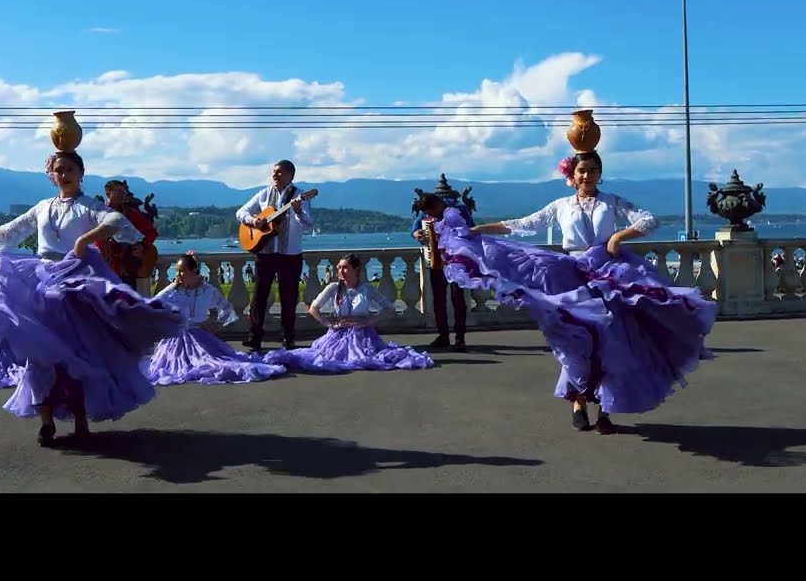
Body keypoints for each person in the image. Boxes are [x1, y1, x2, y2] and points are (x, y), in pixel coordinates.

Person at [0, 150, 184, 448]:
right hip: (42, 281)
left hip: (74, 285)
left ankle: (81, 422)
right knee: (40, 356)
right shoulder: (43, 207)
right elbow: (12, 230)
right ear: (52, 175)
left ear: (81, 173)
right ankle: (46, 422)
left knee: (76, 356)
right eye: (58, 170)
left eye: (69, 169)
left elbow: (116, 220)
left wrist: (83, 240)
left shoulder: (89, 206)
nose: (63, 174)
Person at [434, 150, 717, 434]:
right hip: (571, 274)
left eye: (593, 170)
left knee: (615, 341)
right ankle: (578, 401)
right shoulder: (561, 205)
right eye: (583, 170)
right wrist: (477, 230)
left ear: (599, 173)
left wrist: (619, 236)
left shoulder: (613, 201)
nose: (587, 175)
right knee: (577, 341)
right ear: (573, 174)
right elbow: (521, 225)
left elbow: (648, 221)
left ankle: (606, 409)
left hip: (609, 274)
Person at [262, 253, 435, 373]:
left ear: (356, 269)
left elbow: (388, 308)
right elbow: (313, 307)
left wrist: (369, 321)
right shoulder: (332, 288)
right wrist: (329, 324)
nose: (340, 272)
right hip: (338, 333)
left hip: (363, 334)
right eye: (338, 268)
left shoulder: (366, 289)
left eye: (344, 268)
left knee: (365, 357)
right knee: (325, 357)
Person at [144, 252, 288, 385]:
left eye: (182, 271)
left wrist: (216, 324)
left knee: (216, 363)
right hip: (176, 341)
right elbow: (152, 305)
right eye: (177, 271)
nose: (178, 274)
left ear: (194, 271)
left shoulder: (207, 290)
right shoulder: (173, 291)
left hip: (201, 336)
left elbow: (227, 308)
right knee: (177, 366)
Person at [235, 159, 313, 352]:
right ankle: (254, 336)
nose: (274, 175)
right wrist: (254, 221)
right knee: (259, 297)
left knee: (289, 297)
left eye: (278, 172)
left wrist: (297, 210)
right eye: (274, 172)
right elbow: (240, 212)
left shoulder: (301, 196)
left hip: (290, 254)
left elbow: (308, 224)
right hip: (266, 253)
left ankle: (287, 337)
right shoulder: (264, 193)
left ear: (289, 175)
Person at [411, 192, 471, 351]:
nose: (429, 215)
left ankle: (460, 337)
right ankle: (443, 335)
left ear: (437, 205)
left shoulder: (459, 209)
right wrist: (417, 234)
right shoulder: (426, 212)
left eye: (431, 213)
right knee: (438, 300)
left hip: (456, 261)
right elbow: (415, 228)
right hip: (436, 261)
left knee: (457, 299)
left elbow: (470, 229)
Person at [94, 179, 159, 292]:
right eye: (118, 191)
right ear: (108, 193)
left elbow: (152, 233)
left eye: (124, 192)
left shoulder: (130, 213)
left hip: (127, 267)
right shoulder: (97, 213)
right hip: (102, 267)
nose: (123, 195)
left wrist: (142, 246)